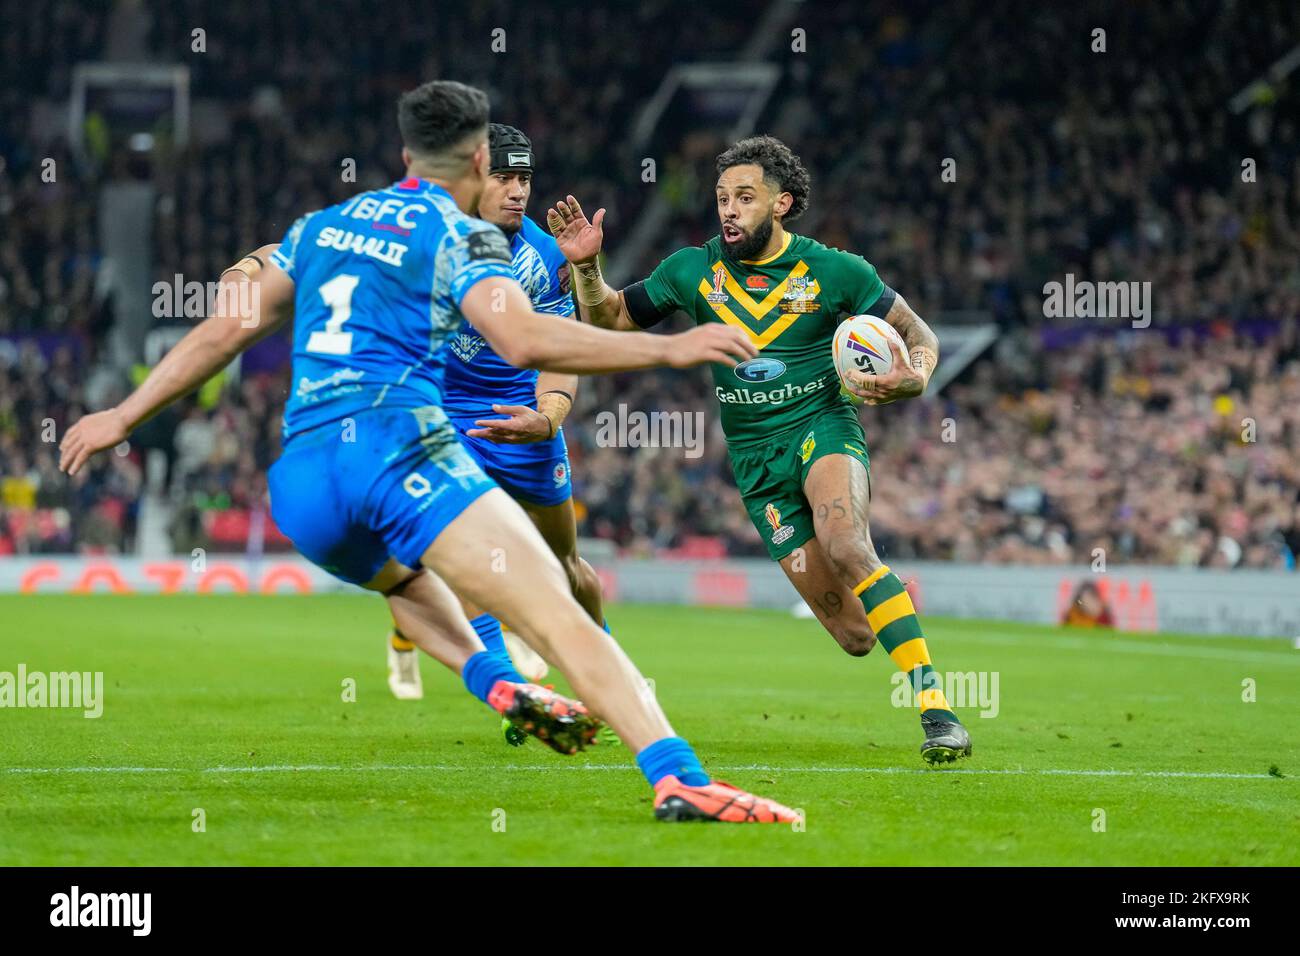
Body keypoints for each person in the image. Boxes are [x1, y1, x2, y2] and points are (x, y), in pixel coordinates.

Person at [59, 81, 798, 823]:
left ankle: (494, 681)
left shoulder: (328, 222)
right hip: (393, 452)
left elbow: (227, 327)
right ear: (480, 158)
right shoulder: (461, 237)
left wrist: (121, 415)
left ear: (406, 153)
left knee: (410, 586)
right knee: (552, 604)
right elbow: (525, 339)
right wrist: (671, 351)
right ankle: (680, 778)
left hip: (304, 483)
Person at [548, 134, 972, 764]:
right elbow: (609, 317)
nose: (728, 209)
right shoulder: (690, 271)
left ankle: (937, 710)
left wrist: (918, 373)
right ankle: (891, 631)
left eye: (745, 197)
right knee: (855, 635)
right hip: (754, 462)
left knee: (848, 543)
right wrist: (587, 266)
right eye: (722, 197)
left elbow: (917, 333)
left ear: (782, 203)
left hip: (822, 427)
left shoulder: (837, 272)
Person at [384, 125, 608, 749]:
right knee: (465, 561)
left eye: (524, 179)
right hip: (451, 416)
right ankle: (516, 692)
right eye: (503, 178)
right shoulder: (424, 242)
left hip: (525, 417)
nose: (516, 191)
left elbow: (560, 350)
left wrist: (550, 415)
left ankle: (609, 678)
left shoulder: (542, 257)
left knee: (565, 566)